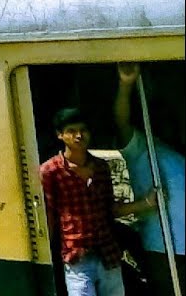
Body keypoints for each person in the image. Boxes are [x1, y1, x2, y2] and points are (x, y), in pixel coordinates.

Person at [41, 107, 158, 296]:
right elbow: (49, 216)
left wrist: (146, 203)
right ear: (60, 135)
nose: (79, 135)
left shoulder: (100, 167)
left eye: (83, 130)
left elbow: (111, 209)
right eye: (71, 131)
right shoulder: (50, 171)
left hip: (108, 254)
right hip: (77, 258)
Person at [114, 64, 186, 295]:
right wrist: (126, 85)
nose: (169, 123)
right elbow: (120, 121)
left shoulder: (179, 153)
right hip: (163, 246)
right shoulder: (141, 147)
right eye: (164, 118)